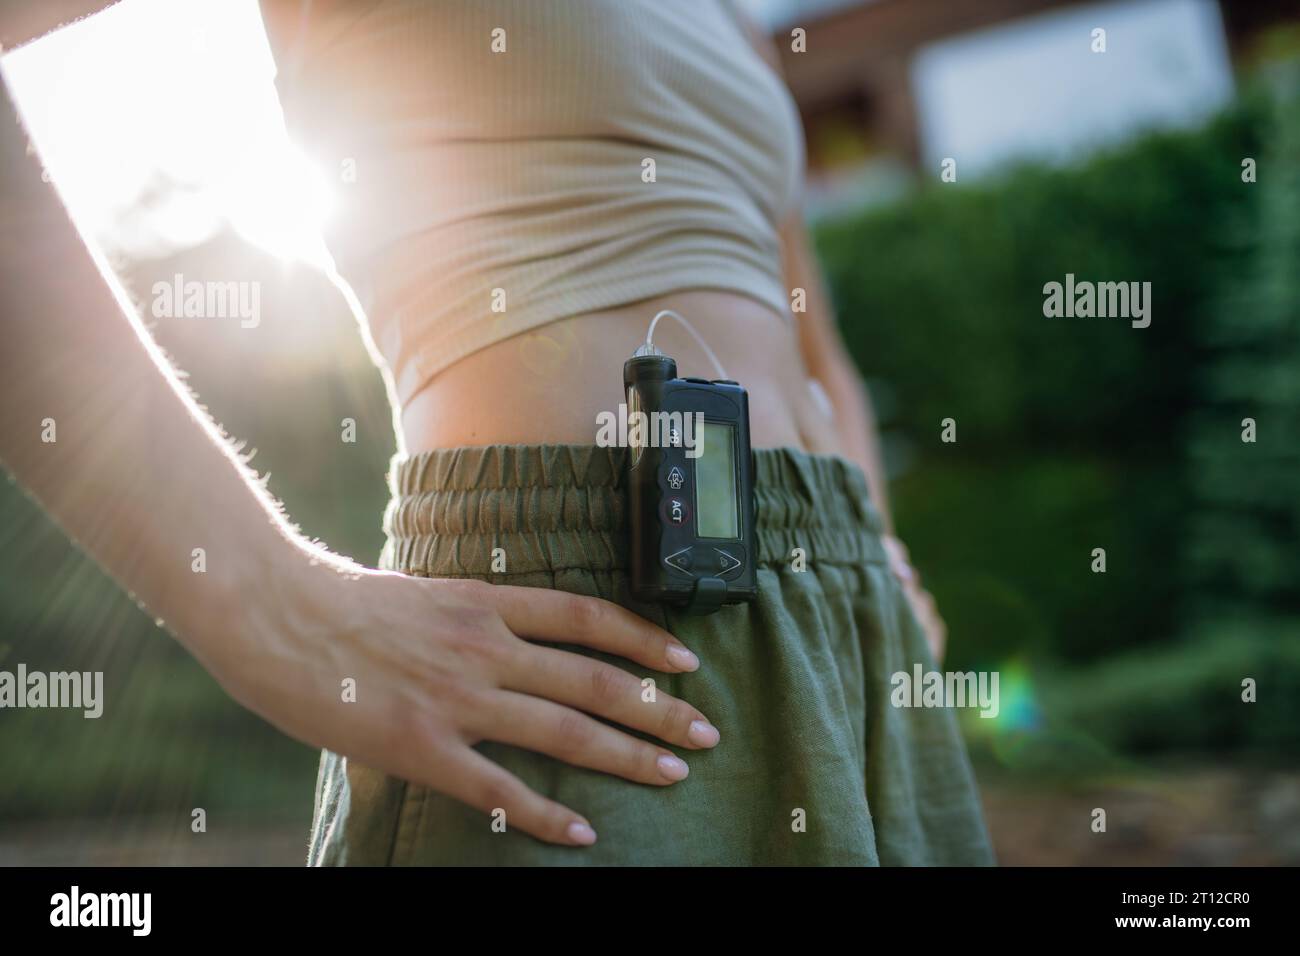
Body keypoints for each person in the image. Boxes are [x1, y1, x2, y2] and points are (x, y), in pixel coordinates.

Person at [0, 0, 993, 865]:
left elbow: (812, 343)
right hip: (573, 633)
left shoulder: (730, 12)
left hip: (844, 621)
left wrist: (876, 554)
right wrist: (273, 609)